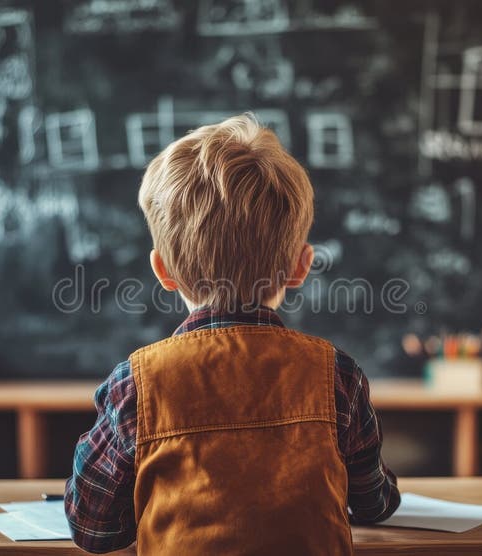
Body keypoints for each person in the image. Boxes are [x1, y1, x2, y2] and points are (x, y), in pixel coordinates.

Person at [66, 114, 400, 555]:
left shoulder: (136, 386)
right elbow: (374, 503)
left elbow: (93, 529)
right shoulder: (337, 376)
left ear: (162, 270)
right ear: (302, 266)